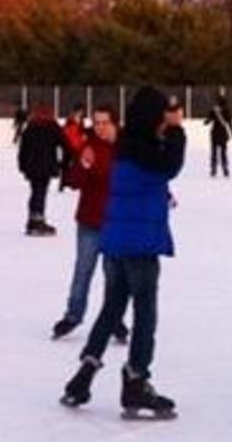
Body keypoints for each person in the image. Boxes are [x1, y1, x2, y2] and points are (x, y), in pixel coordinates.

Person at [61, 86, 186, 420]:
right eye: (163, 116)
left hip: (117, 241)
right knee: (145, 313)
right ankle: (136, 379)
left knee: (112, 306)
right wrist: (176, 129)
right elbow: (171, 165)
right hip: (139, 244)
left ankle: (83, 375)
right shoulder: (145, 149)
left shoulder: (127, 146)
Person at [52, 103, 129, 343]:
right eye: (95, 123)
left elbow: (140, 178)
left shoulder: (127, 148)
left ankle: (114, 318)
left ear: (115, 123)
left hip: (117, 222)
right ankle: (73, 315)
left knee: (113, 274)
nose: (100, 127)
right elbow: (73, 180)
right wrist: (83, 165)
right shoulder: (88, 146)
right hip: (90, 221)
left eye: (105, 122)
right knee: (83, 270)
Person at [17, 103, 65, 235]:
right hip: (46, 166)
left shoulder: (31, 127)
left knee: (35, 192)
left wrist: (22, 165)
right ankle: (37, 221)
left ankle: (32, 220)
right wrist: (63, 162)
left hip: (32, 166)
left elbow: (23, 149)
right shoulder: (52, 126)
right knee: (40, 192)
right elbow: (64, 143)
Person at [204, 94, 232, 178]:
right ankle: (225, 169)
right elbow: (230, 123)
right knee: (223, 152)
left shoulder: (214, 110)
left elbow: (207, 121)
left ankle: (213, 169)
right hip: (223, 134)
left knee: (214, 152)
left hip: (214, 134)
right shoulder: (226, 111)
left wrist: (207, 120)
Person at [59, 104, 88, 192]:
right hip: (69, 145)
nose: (81, 113)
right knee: (66, 165)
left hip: (77, 146)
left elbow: (81, 131)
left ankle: (73, 183)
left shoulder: (81, 120)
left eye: (82, 111)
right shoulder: (70, 119)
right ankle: (63, 183)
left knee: (76, 166)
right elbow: (66, 131)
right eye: (80, 111)